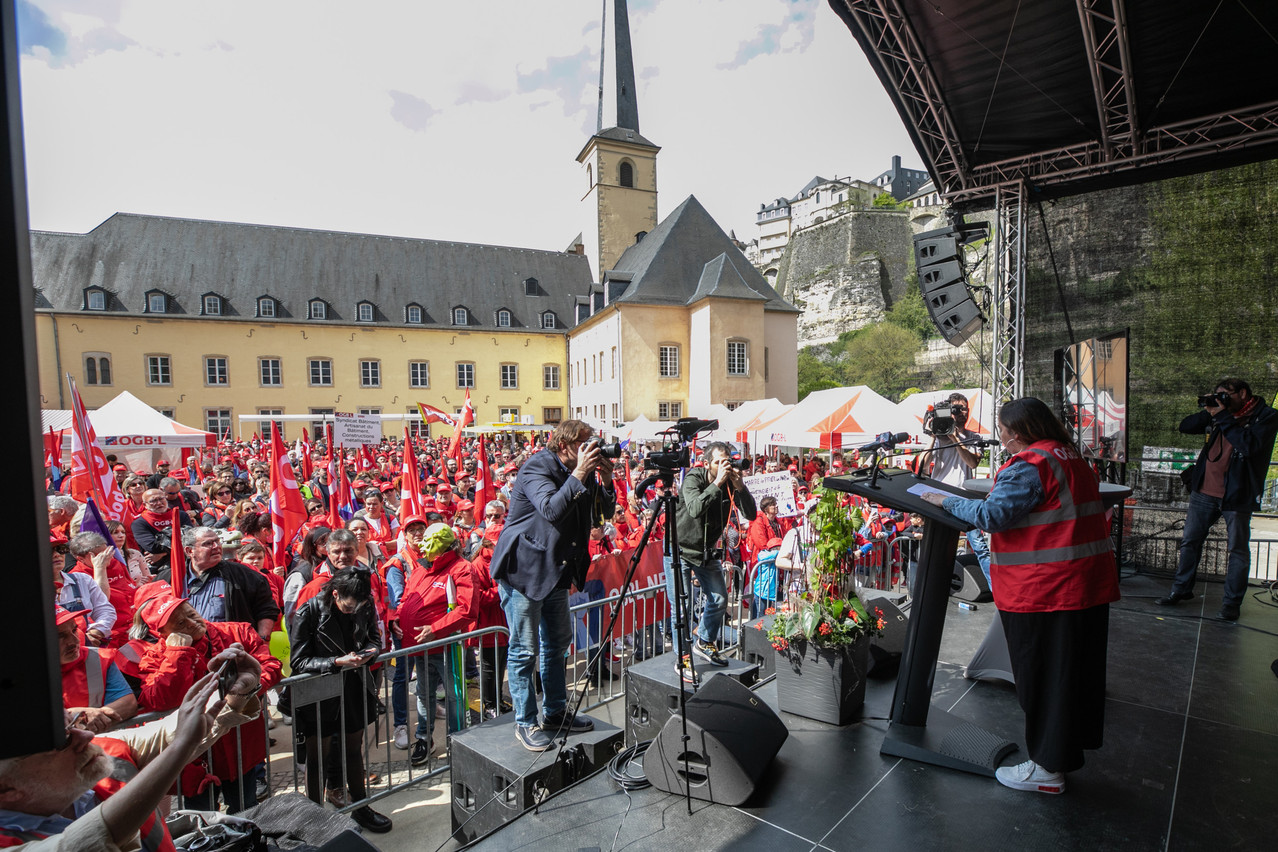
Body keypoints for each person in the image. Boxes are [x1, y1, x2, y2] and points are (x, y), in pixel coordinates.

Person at [921, 397, 1119, 795]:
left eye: (1003, 428)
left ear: (1019, 429)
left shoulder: (1031, 464)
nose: (1001, 436)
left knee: (1043, 678)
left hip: (1045, 592)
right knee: (1069, 678)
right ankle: (1062, 753)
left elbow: (992, 516)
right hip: (1084, 586)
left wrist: (945, 499)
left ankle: (1047, 770)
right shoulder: (1071, 457)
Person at [0, 651, 263, 850]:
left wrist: (232, 693)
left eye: (73, 722)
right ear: (6, 789)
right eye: (61, 740)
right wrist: (181, 748)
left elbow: (173, 731)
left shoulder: (104, 750)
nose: (87, 735)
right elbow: (85, 840)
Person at [490, 419, 615, 752]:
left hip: (556, 571)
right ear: (565, 446)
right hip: (524, 572)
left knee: (558, 642)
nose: (592, 449)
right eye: (586, 443)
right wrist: (579, 475)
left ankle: (556, 712)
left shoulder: (584, 472)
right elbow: (551, 509)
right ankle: (526, 722)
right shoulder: (536, 468)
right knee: (524, 650)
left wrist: (607, 478)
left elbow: (602, 517)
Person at [138, 594, 283, 812]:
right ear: (162, 634)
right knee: (202, 819)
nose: (192, 623)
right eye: (180, 623)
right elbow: (158, 699)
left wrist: (248, 686)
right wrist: (178, 653)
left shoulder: (237, 631)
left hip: (240, 744)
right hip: (196, 756)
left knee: (247, 811)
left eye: (191, 613)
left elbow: (270, 665)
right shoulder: (155, 656)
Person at [1156, 378, 1278, 620]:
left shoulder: (1267, 416)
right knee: (1190, 542)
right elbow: (1185, 426)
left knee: (1238, 551)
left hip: (1238, 494)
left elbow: (1250, 446)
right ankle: (1180, 590)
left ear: (1242, 394)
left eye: (1225, 395)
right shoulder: (1220, 414)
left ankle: (1231, 604)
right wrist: (1210, 411)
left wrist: (1223, 417)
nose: (1220, 399)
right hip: (1204, 491)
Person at [288, 568, 393, 833]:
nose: (354, 609)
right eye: (349, 605)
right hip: (319, 693)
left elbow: (373, 637)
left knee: (353, 750)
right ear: (335, 594)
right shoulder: (309, 611)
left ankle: (361, 807)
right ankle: (314, 820)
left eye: (359, 604)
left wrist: (370, 651)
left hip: (353, 687)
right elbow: (298, 661)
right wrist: (335, 662)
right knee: (317, 759)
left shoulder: (364, 605)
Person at [669, 442, 757, 674]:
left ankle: (705, 641)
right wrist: (718, 483)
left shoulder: (730, 484)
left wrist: (740, 486)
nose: (724, 466)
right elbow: (695, 508)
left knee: (719, 599)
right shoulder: (693, 478)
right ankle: (682, 657)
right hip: (680, 550)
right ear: (706, 463)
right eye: (718, 462)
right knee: (681, 608)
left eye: (727, 461)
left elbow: (751, 514)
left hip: (706, 551)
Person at [396, 523, 476, 765]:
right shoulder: (421, 568)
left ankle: (456, 739)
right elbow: (408, 597)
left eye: (428, 539)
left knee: (453, 695)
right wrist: (396, 619)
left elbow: (467, 609)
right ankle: (424, 738)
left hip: (446, 648)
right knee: (423, 693)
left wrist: (436, 629)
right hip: (419, 647)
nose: (421, 543)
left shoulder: (461, 568)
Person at [925, 392, 993, 584]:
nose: (962, 412)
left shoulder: (973, 437)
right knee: (936, 547)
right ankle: (932, 587)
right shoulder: (937, 438)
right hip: (937, 498)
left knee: (979, 546)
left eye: (965, 408)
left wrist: (955, 438)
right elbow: (922, 466)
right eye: (956, 409)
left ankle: (993, 589)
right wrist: (932, 436)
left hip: (963, 499)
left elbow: (972, 463)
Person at [180, 526, 280, 643]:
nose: (216, 546)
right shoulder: (172, 578)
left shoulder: (244, 574)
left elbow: (266, 609)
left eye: (217, 541)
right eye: (208, 543)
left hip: (232, 650)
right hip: (190, 651)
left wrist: (262, 640)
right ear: (189, 551)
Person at [57, 605, 138, 733]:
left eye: (74, 630)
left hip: (101, 741)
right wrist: (75, 716)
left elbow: (128, 703)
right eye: (60, 636)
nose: (74, 640)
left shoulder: (98, 658)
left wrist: (93, 716)